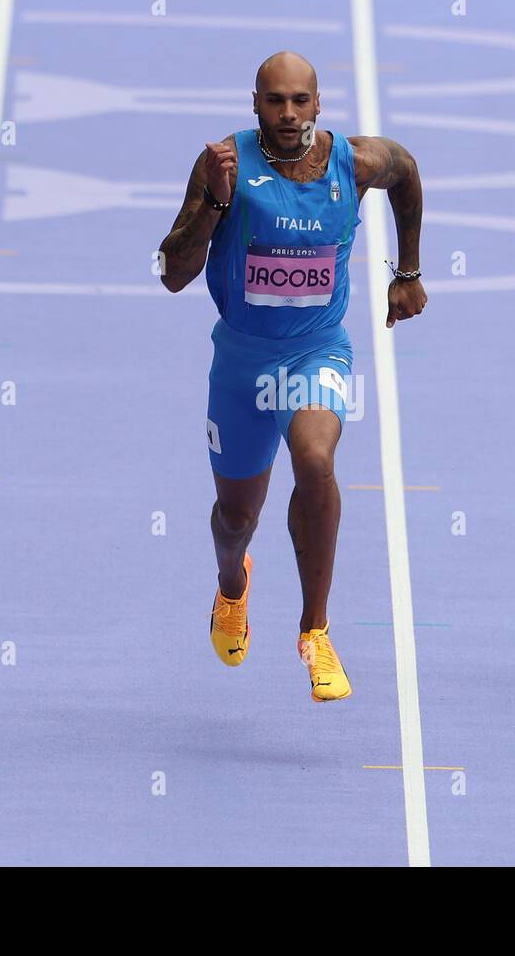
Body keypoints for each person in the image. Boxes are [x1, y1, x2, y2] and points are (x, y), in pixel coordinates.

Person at [158, 51, 427, 702]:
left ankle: (316, 630)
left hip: (316, 353)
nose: (287, 113)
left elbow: (407, 172)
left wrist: (408, 272)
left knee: (316, 460)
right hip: (242, 365)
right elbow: (171, 270)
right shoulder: (222, 163)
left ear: (318, 104)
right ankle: (232, 587)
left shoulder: (355, 163)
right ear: (255, 105)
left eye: (300, 100)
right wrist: (213, 209)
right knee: (235, 520)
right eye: (274, 101)